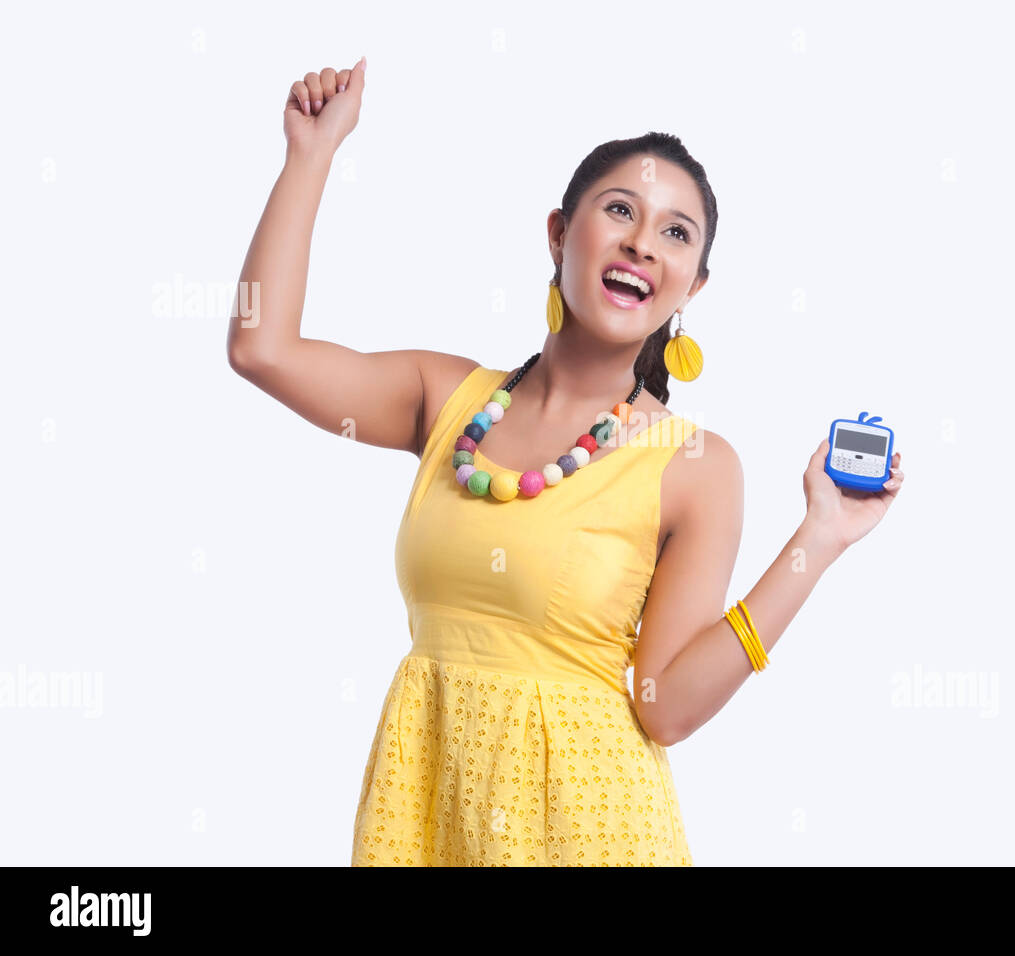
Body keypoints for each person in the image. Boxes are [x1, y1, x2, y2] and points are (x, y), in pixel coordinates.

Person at [226, 58, 906, 866]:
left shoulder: (693, 465)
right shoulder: (444, 399)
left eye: (675, 233)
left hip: (589, 831)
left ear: (694, 284)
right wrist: (311, 154)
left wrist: (819, 538)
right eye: (619, 210)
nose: (642, 244)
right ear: (558, 232)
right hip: (424, 818)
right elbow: (260, 347)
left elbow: (667, 710)